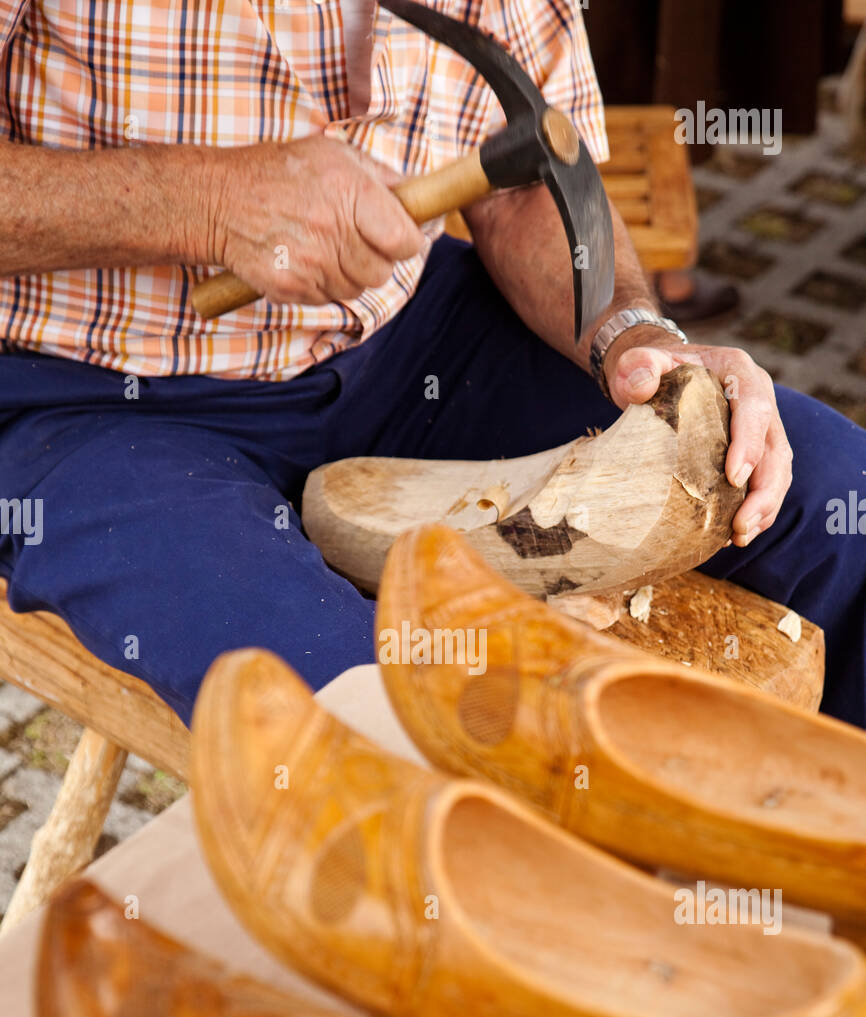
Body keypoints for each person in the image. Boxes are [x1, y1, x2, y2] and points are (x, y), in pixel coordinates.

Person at [0, 1, 863, 728]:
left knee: (831, 510)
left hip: (414, 346)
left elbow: (528, 178)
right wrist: (205, 202)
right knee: (390, 721)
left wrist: (633, 336)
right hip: (88, 395)